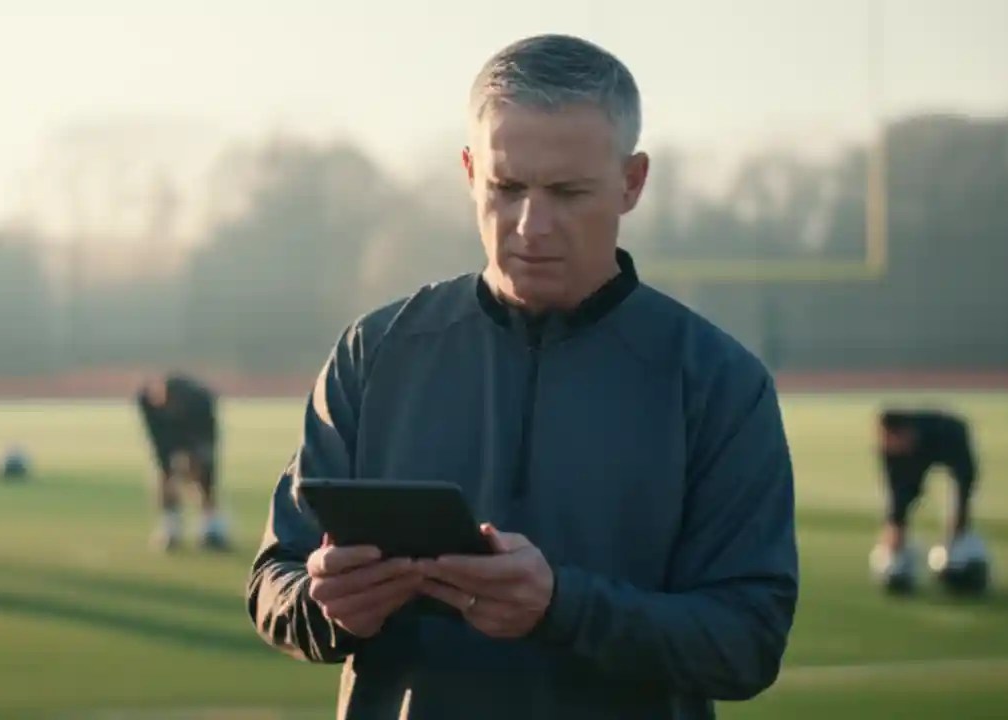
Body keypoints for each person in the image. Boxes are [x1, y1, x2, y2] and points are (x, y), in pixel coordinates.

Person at [246, 34, 798, 719]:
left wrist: (562, 607)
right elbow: (275, 582)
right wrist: (326, 606)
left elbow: (748, 641)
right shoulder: (376, 351)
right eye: (507, 188)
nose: (531, 226)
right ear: (470, 169)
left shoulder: (718, 381)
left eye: (567, 192)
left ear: (632, 182)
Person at [870, 408, 987, 592]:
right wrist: (894, 529)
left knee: (959, 522)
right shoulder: (890, 450)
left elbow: (965, 481)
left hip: (949, 440)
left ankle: (961, 553)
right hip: (917, 456)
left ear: (905, 433)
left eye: (892, 440)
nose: (886, 446)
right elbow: (897, 494)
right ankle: (900, 560)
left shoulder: (949, 433)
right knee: (902, 509)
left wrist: (957, 526)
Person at [137, 372, 230, 551]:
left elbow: (205, 439)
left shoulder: (200, 402)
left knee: (203, 476)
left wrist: (195, 461)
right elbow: (156, 440)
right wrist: (167, 468)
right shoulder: (147, 402)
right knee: (164, 475)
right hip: (166, 432)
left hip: (197, 430)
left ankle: (211, 527)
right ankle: (170, 527)